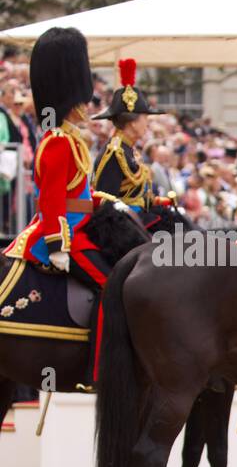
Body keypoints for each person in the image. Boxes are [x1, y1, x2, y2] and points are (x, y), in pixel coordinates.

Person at [3, 27, 113, 390]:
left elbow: (75, 191)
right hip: (65, 234)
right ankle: (96, 373)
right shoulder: (57, 142)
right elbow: (51, 200)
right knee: (111, 288)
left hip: (81, 225)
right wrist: (55, 244)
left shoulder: (69, 138)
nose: (89, 104)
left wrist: (104, 202)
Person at [91, 58, 164, 211]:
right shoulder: (114, 153)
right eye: (145, 117)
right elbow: (106, 204)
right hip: (126, 225)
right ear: (132, 122)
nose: (148, 122)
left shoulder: (129, 150)